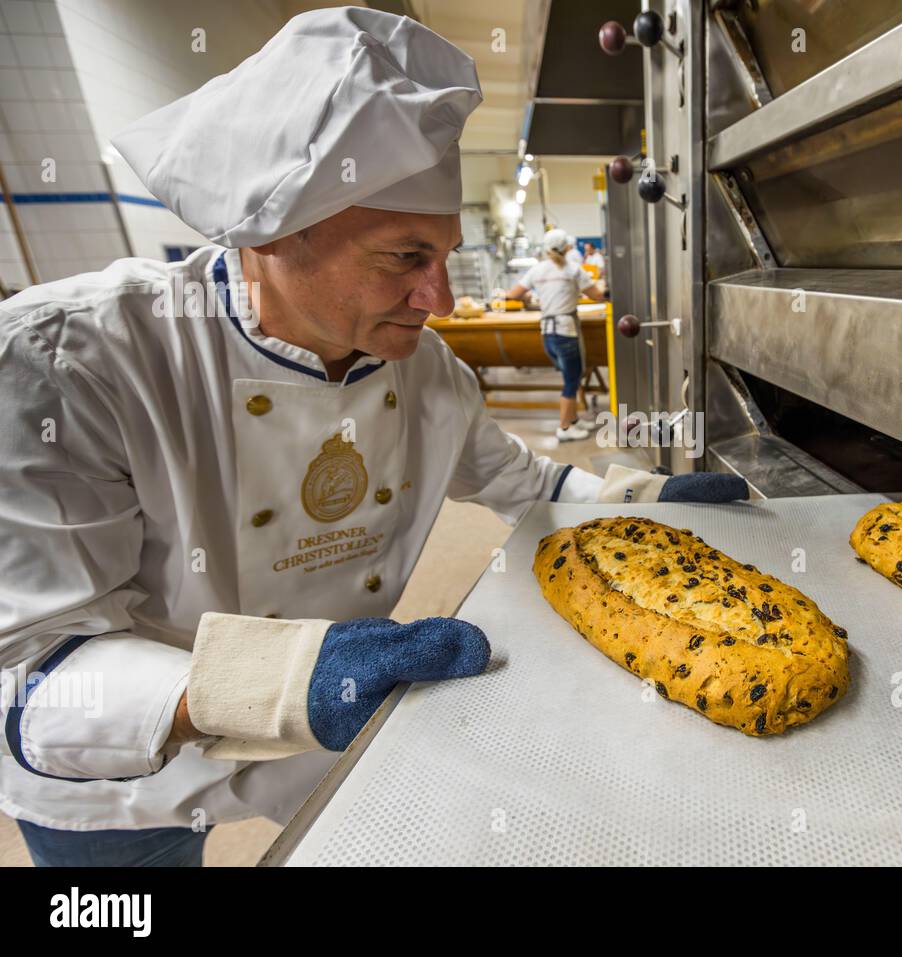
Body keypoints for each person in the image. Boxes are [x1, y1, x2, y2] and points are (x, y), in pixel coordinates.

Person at [0, 7, 748, 867]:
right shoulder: (68, 363)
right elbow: (34, 672)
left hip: (327, 728)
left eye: (445, 255)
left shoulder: (423, 372)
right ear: (274, 234)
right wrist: (275, 681)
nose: (443, 300)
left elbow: (528, 485)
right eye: (403, 257)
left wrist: (639, 496)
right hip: (114, 780)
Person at [501, 228, 603, 441]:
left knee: (570, 376)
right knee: (572, 380)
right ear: (567, 247)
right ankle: (565, 428)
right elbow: (597, 296)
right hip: (566, 331)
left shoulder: (537, 271)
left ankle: (573, 419)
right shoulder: (573, 269)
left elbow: (512, 294)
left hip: (547, 333)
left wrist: (529, 295)